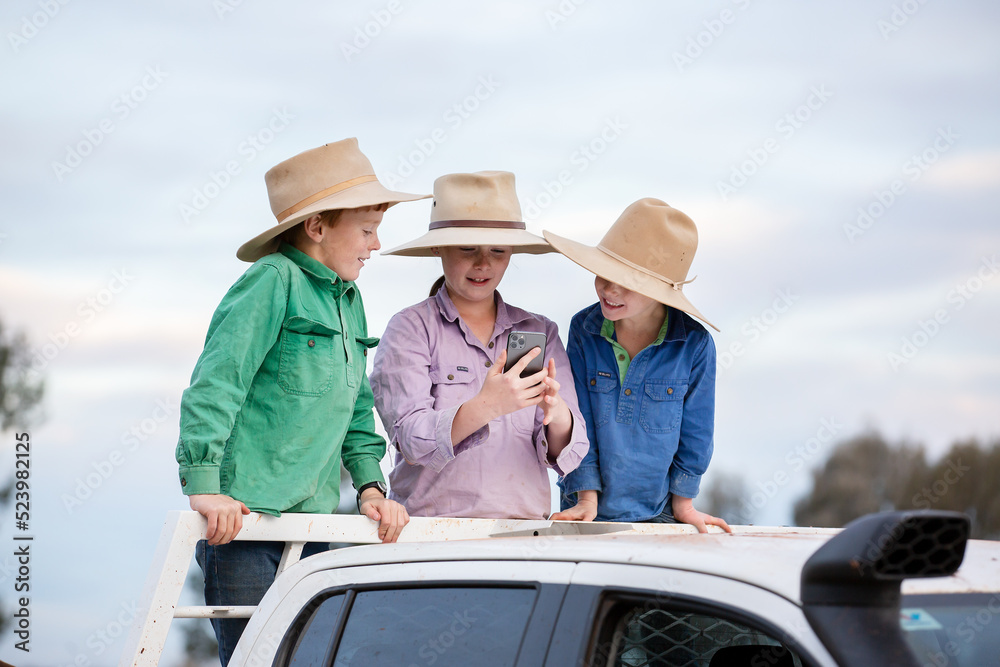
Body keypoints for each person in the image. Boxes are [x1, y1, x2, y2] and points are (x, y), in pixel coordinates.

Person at [175, 138, 426, 665]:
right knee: (256, 658)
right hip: (243, 522)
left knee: (310, 657)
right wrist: (205, 488)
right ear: (317, 228)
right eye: (366, 230)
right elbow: (216, 383)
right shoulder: (270, 283)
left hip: (313, 524)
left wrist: (370, 486)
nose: (375, 245)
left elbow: (356, 407)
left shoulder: (349, 300)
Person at [370, 171, 589, 519]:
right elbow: (410, 439)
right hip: (429, 538)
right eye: (468, 248)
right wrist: (487, 405)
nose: (483, 263)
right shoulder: (410, 328)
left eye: (498, 250)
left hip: (523, 539)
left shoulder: (540, 331)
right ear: (437, 246)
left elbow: (569, 452)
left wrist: (556, 413)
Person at [544, 198, 731, 533]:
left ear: (661, 291)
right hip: (585, 506)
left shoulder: (695, 345)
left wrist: (684, 503)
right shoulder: (584, 330)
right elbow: (577, 415)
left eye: (629, 282)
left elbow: (697, 432)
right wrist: (587, 497)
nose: (610, 289)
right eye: (604, 272)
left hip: (662, 512)